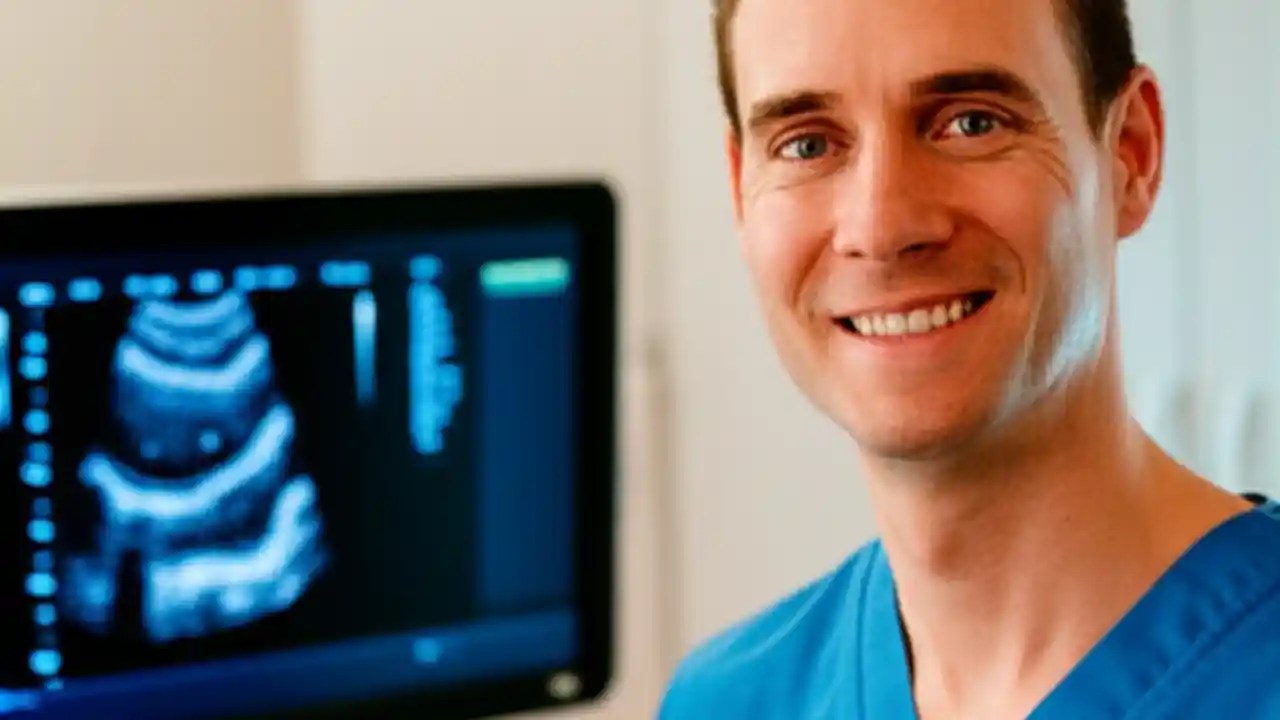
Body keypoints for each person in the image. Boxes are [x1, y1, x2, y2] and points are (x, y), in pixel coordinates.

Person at [658, 0, 1280, 718]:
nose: (881, 226)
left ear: (1131, 154)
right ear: (740, 190)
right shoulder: (727, 700)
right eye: (807, 145)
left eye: (971, 122)